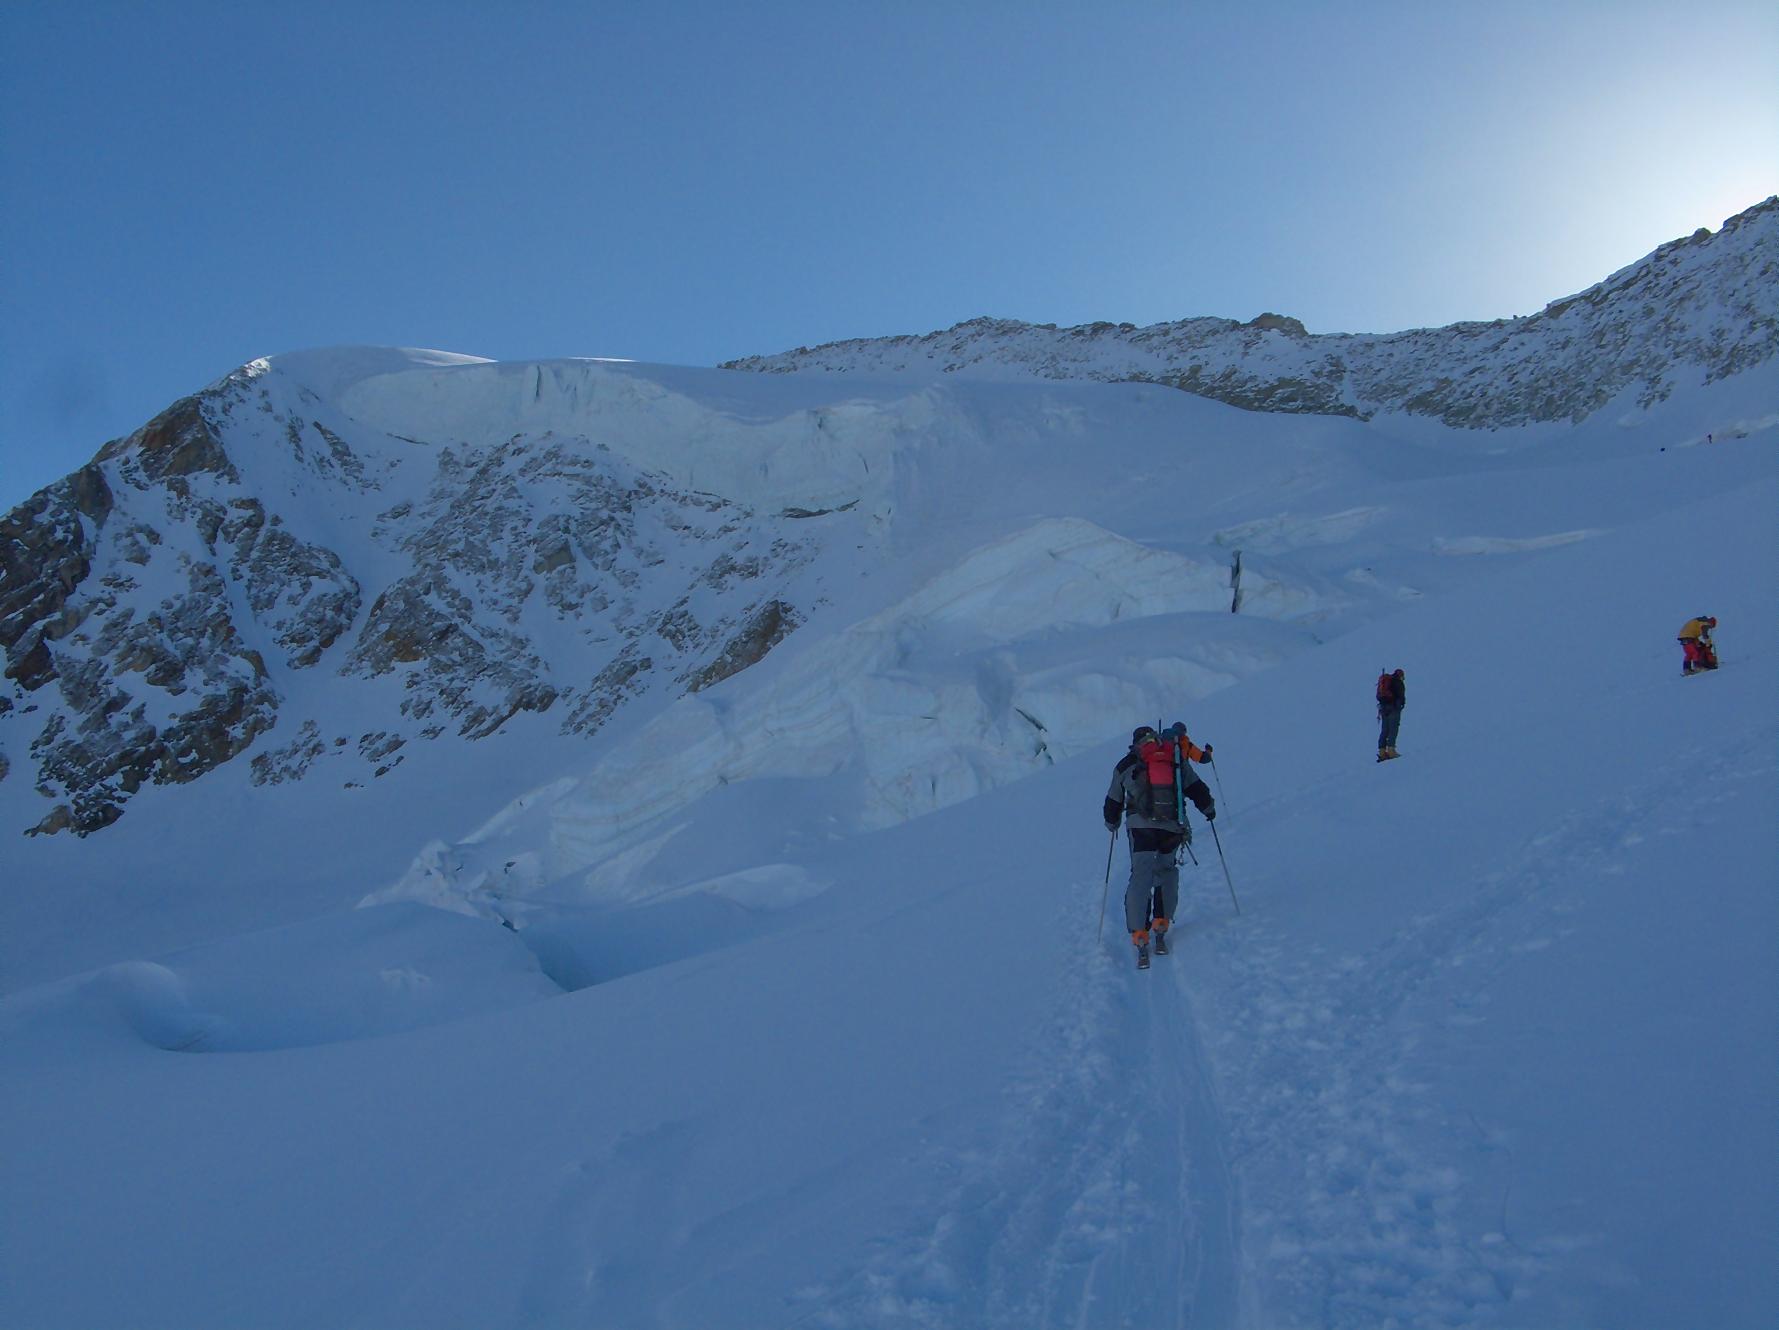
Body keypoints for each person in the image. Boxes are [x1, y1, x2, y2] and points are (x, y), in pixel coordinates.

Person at [1102, 722, 1216, 968]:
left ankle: (1139, 934)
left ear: (1135, 743)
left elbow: (1113, 800)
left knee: (1141, 875)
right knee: (1166, 869)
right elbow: (1196, 788)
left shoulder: (1126, 764)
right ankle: (1161, 923)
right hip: (1171, 826)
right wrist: (1208, 809)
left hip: (1140, 828)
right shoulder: (1173, 758)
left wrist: (1112, 822)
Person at [1376, 668, 1406, 761]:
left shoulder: (1386, 682)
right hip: (1393, 708)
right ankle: (1391, 751)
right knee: (1393, 729)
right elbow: (1400, 696)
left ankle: (1382, 752)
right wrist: (1401, 704)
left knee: (1385, 729)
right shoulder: (1398, 682)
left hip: (1383, 708)